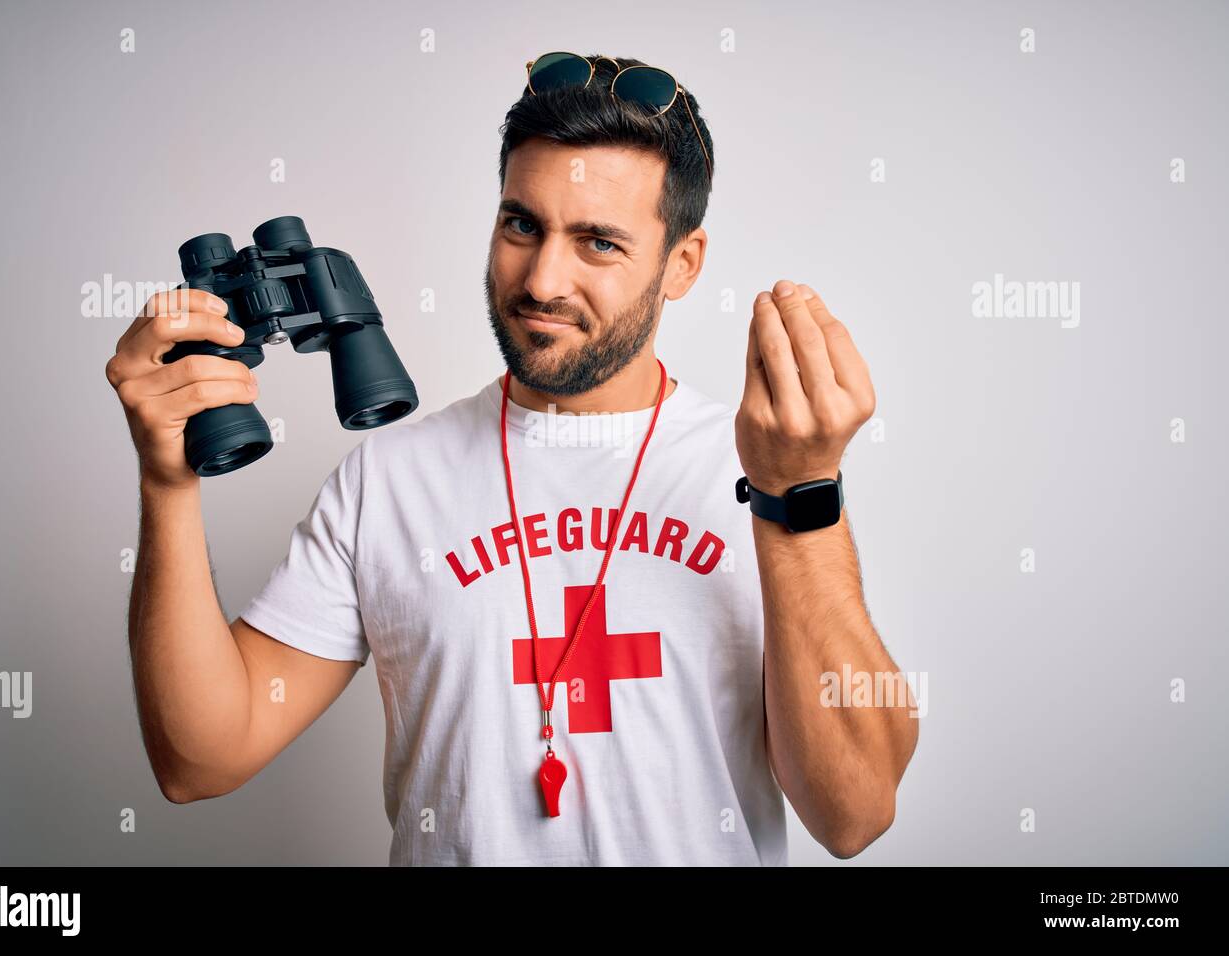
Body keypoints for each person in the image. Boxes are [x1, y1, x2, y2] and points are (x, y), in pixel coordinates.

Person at [105, 51, 918, 866]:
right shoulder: (389, 481)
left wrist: (796, 493)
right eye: (522, 225)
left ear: (682, 264)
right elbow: (199, 760)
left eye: (598, 242)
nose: (542, 280)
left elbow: (853, 814)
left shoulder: (755, 468)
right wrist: (166, 479)